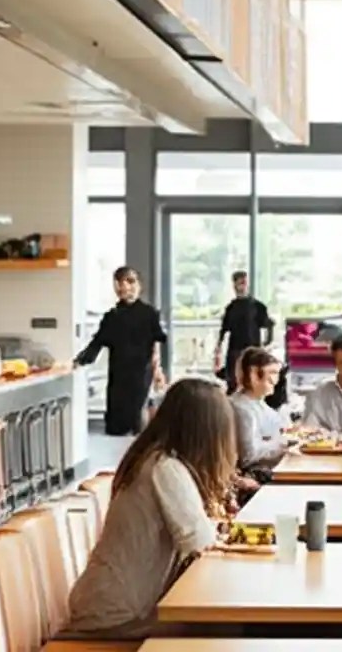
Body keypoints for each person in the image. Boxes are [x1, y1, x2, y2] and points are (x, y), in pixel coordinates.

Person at [64, 379, 234, 639]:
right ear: (207, 433)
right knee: (222, 629)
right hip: (112, 616)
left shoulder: (154, 458)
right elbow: (199, 540)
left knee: (219, 624)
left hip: (104, 604)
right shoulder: (164, 468)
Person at [74, 267, 167, 436]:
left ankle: (139, 445)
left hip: (141, 371)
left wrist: (157, 369)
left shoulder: (149, 313)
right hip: (118, 372)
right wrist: (80, 361)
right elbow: (97, 342)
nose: (125, 287)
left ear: (139, 285)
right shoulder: (112, 316)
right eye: (120, 283)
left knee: (139, 413)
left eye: (130, 282)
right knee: (116, 421)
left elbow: (156, 343)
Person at [214, 271, 275, 394]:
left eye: (243, 283)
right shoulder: (231, 307)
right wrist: (218, 348)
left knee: (252, 380)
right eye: (239, 283)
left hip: (251, 348)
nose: (241, 286)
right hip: (235, 349)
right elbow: (224, 329)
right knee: (233, 381)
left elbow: (269, 324)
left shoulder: (257, 306)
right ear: (234, 285)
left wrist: (267, 342)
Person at [231, 347, 289, 471]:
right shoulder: (242, 409)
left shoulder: (260, 404)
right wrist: (283, 443)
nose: (275, 380)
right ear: (254, 374)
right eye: (272, 372)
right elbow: (248, 455)